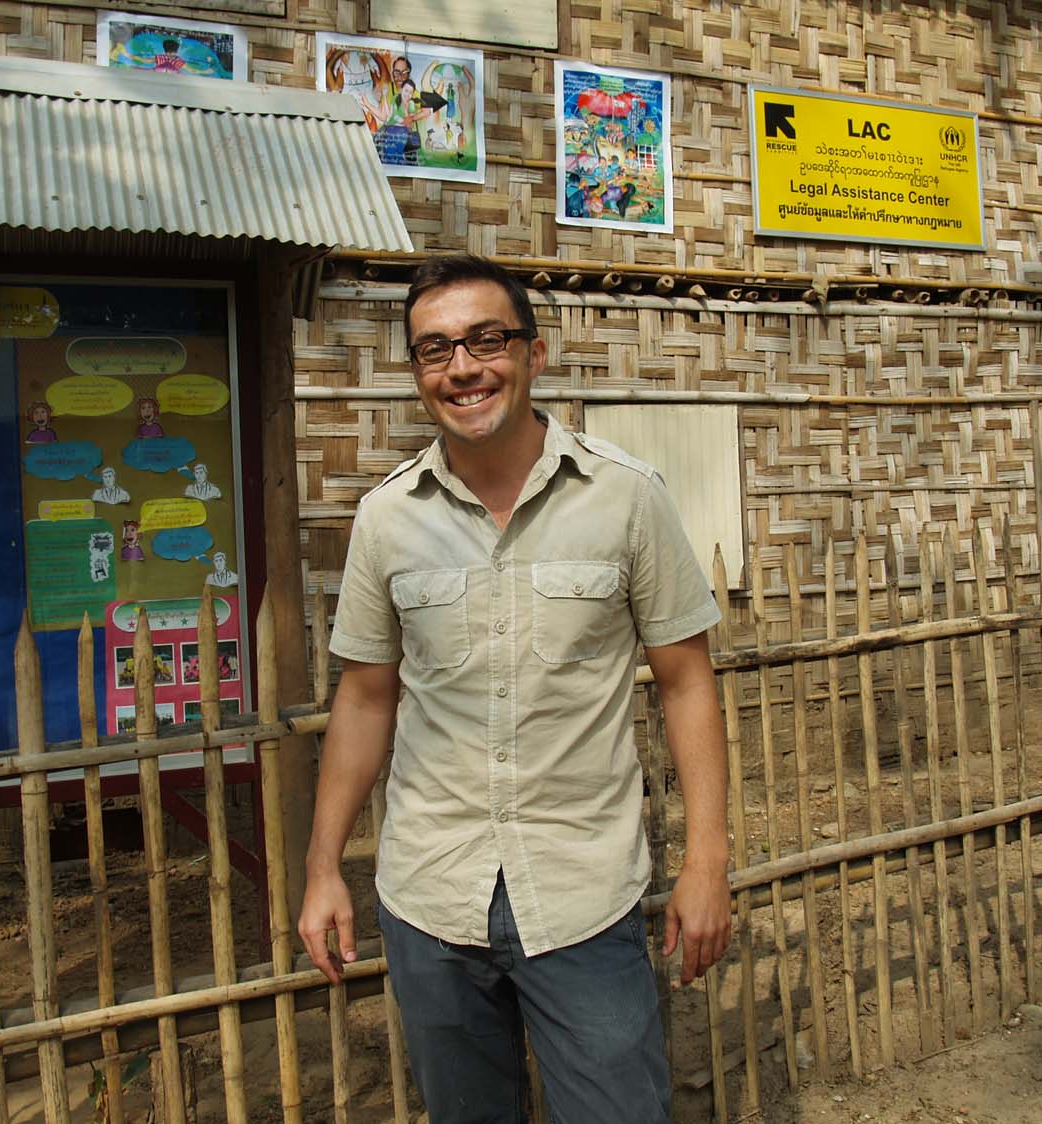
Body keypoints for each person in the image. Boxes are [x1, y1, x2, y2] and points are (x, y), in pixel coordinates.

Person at [298, 254, 732, 1122]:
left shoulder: (627, 498)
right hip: (430, 895)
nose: (463, 368)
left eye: (487, 340)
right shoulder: (386, 519)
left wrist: (709, 861)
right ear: (417, 373)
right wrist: (323, 869)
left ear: (535, 355)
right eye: (435, 350)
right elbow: (365, 698)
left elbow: (686, 682)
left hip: (583, 894)